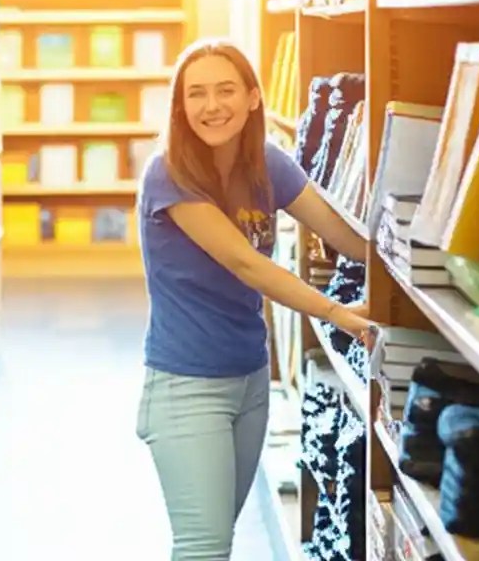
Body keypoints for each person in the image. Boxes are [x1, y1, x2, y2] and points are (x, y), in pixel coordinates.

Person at [135, 38, 378, 560]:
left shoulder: (267, 162)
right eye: (195, 94)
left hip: (249, 380)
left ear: (252, 97)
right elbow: (246, 263)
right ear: (180, 106)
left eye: (226, 90)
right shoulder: (168, 173)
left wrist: (400, 258)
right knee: (204, 548)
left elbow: (337, 230)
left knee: (217, 540)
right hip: (185, 386)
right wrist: (337, 313)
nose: (211, 106)